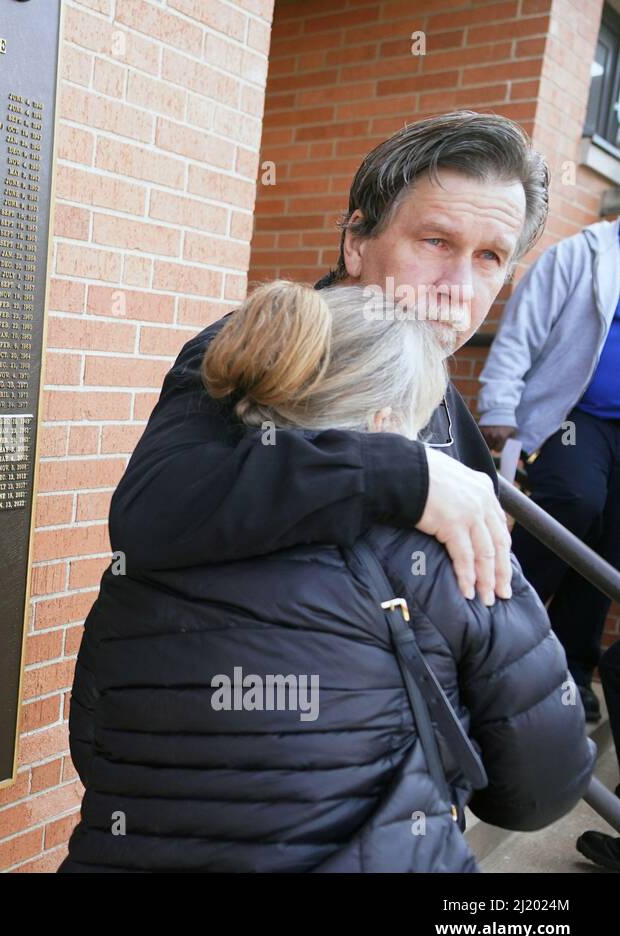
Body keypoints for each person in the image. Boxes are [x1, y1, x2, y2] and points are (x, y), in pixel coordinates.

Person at [58, 281, 595, 872]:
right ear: (387, 422)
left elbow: (93, 742)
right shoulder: (452, 553)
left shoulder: (156, 552)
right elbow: (546, 784)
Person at [107, 111, 546, 613]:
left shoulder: (433, 382)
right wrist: (398, 475)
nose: (459, 290)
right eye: (435, 242)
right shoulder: (264, 348)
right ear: (356, 241)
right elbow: (150, 515)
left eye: (489, 256)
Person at [477, 218, 620, 870]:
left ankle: (570, 666)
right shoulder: (579, 256)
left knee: (610, 550)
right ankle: (505, 616)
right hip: (571, 418)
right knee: (572, 503)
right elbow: (521, 334)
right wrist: (499, 409)